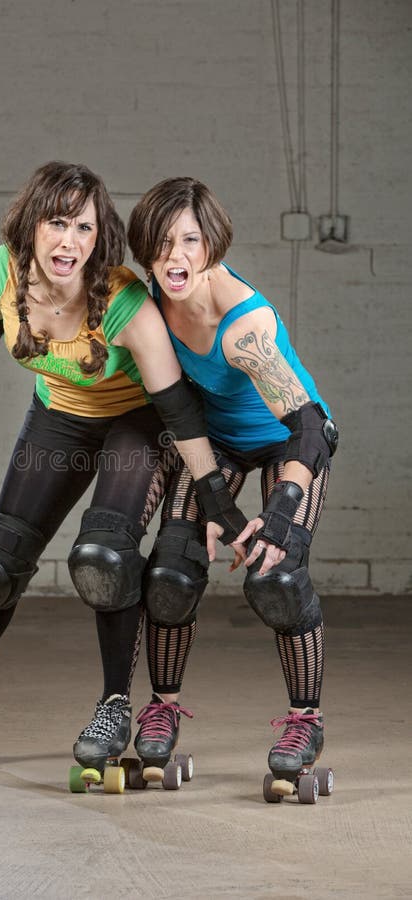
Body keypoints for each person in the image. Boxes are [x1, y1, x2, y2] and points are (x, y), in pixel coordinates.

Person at [0, 161, 228, 776]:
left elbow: (179, 411)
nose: (69, 242)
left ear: (100, 237)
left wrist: (217, 499)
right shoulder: (1, 267)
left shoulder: (127, 302)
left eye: (84, 227)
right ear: (32, 225)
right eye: (57, 224)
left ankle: (113, 704)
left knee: (104, 558)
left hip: (137, 420)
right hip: (60, 416)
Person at [127, 176, 339, 791]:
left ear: (212, 244)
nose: (176, 258)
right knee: (171, 569)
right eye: (163, 243)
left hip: (288, 443)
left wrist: (281, 509)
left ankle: (306, 721)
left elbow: (307, 428)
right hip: (215, 444)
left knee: (275, 575)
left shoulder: (245, 325)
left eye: (190, 241)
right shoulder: (154, 305)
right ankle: (162, 707)